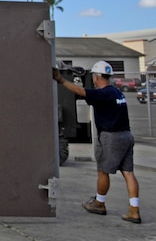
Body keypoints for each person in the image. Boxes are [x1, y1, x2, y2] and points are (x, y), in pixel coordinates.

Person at [53, 60, 141, 223]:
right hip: (126, 135)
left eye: (94, 75)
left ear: (97, 77)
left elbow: (81, 91)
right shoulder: (117, 92)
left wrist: (61, 80)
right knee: (128, 173)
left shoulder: (103, 93)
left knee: (102, 171)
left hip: (111, 137)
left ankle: (99, 203)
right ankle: (134, 210)